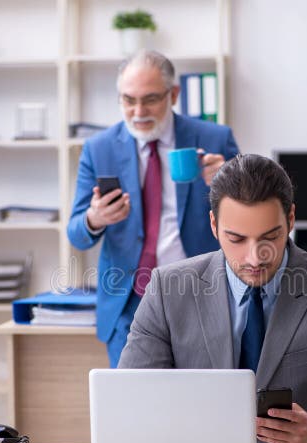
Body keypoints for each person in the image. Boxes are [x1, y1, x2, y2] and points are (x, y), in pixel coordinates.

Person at [118, 154, 307, 443]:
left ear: (290, 219)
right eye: (236, 239)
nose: (254, 258)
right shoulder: (166, 289)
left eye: (270, 236)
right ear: (214, 225)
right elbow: (130, 403)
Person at [68, 50, 240, 368]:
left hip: (202, 297)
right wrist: (95, 218)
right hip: (129, 302)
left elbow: (247, 222)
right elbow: (77, 235)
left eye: (149, 99)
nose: (138, 111)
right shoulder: (98, 148)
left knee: (201, 404)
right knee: (133, 408)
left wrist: (230, 184)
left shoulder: (214, 138)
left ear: (173, 94)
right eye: (128, 100)